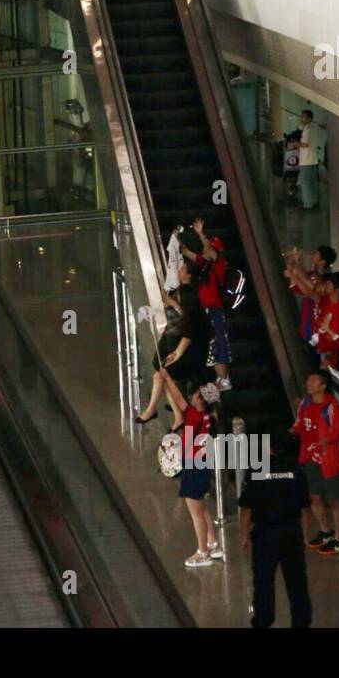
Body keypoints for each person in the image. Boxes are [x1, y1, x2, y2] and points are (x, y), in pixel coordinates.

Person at [239, 431, 312, 627]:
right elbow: (305, 507)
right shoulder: (295, 469)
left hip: (265, 533)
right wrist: (305, 536)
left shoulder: (256, 470)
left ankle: (263, 620)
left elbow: (246, 509)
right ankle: (301, 621)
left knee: (263, 582)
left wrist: (244, 536)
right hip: (291, 531)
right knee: (297, 581)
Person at [134, 257, 211, 427]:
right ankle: (172, 414)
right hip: (172, 335)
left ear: (188, 274)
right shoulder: (180, 289)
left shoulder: (189, 292)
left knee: (162, 374)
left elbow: (188, 317)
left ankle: (155, 411)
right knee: (160, 374)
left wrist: (172, 303)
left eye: (182, 268)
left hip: (182, 341)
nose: (179, 270)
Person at [161, 370, 224, 568]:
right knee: (202, 507)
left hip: (194, 465)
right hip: (202, 464)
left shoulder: (195, 415)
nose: (193, 396)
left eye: (197, 394)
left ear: (201, 400)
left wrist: (168, 379)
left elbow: (178, 398)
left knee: (196, 512)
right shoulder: (208, 417)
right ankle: (213, 543)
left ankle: (202, 552)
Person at [292, 372, 339, 555]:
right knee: (315, 497)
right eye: (308, 380)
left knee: (334, 499)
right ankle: (326, 532)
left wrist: (325, 440)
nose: (308, 383)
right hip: (310, 458)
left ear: (323, 385)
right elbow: (300, 424)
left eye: (313, 380)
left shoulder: (332, 407)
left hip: (329, 459)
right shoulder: (305, 404)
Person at [185, 217, 232, 391]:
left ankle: (225, 380)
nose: (205, 249)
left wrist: (201, 234)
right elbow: (190, 254)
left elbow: (210, 252)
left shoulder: (218, 263)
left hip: (214, 309)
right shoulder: (204, 264)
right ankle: (218, 379)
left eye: (209, 246)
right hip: (205, 310)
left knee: (218, 343)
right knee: (210, 344)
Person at [296, 109, 321, 210]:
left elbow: (305, 144)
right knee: (313, 182)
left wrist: (296, 144)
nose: (301, 118)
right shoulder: (314, 127)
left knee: (305, 183)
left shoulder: (307, 129)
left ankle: (307, 204)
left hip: (306, 160)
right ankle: (314, 201)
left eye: (303, 117)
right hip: (313, 159)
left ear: (309, 118)